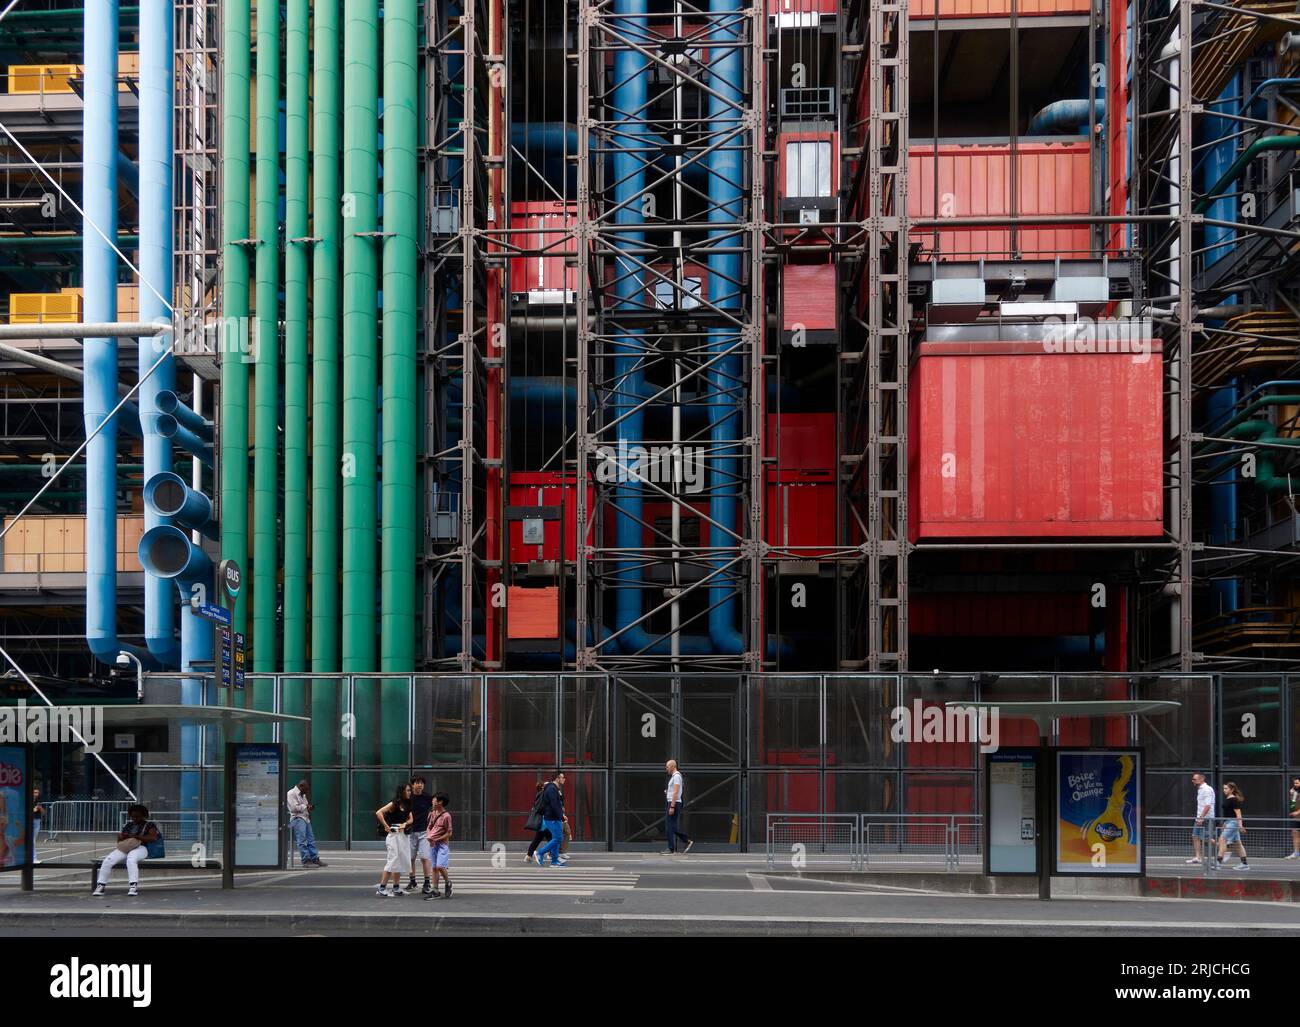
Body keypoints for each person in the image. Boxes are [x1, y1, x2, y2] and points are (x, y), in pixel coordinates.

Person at [92, 804, 163, 897]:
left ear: (143, 815)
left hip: (141, 848)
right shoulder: (129, 825)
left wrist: (137, 836)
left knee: (131, 859)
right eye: (132, 816)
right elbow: (120, 840)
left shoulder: (149, 825)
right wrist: (121, 837)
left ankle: (133, 886)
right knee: (108, 860)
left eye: (137, 816)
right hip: (127, 847)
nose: (134, 819)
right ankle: (101, 885)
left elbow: (153, 838)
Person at [375, 783, 413, 897]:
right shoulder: (394, 803)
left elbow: (411, 819)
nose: (409, 792)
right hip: (394, 835)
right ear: (402, 791)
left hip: (403, 835)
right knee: (393, 860)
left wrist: (405, 824)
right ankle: (382, 888)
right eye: (407, 790)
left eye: (410, 790)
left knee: (400, 860)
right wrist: (386, 826)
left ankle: (396, 887)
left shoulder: (407, 804)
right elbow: (379, 812)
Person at [287, 779, 325, 868]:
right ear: (301, 786)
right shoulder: (291, 793)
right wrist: (305, 807)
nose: (307, 791)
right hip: (297, 818)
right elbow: (293, 808)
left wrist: (308, 807)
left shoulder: (302, 794)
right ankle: (306, 860)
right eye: (306, 789)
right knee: (302, 840)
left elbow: (305, 804)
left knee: (310, 840)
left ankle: (314, 858)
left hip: (305, 818)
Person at [534, 770, 567, 868]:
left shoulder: (553, 788)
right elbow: (554, 805)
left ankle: (554, 861)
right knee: (558, 838)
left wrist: (561, 816)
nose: (564, 779)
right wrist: (561, 816)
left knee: (556, 838)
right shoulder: (552, 789)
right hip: (552, 817)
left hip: (554, 817)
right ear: (557, 778)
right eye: (562, 777)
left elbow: (556, 804)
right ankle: (540, 853)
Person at [424, 791, 454, 899]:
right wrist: (429, 836)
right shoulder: (432, 814)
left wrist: (437, 839)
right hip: (433, 844)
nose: (432, 801)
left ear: (440, 802)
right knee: (434, 868)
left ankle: (448, 882)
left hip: (442, 845)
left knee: (440, 866)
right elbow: (429, 826)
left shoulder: (446, 816)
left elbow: (449, 833)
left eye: (434, 799)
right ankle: (435, 890)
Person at [661, 758, 694, 855]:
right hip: (673, 802)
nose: (666, 768)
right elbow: (675, 791)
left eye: (667, 766)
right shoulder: (675, 777)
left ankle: (671, 848)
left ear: (672, 766)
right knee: (673, 826)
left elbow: (676, 792)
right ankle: (686, 840)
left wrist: (672, 806)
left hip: (673, 803)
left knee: (669, 827)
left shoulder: (676, 776)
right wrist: (668, 792)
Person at [408, 776, 434, 895]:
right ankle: (412, 881)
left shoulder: (428, 797)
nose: (420, 785)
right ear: (413, 784)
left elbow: (435, 807)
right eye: (418, 783)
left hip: (424, 832)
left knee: (424, 858)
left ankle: (427, 883)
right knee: (410, 858)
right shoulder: (408, 797)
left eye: (422, 783)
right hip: (410, 832)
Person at [1216, 781, 1249, 870]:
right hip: (1229, 822)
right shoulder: (1228, 799)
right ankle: (1244, 864)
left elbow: (1238, 813)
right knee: (1238, 843)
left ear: (1232, 789)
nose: (1224, 790)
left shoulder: (1234, 799)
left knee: (1222, 839)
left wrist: (1240, 825)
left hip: (1234, 823)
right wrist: (1225, 823)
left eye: (1226, 788)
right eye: (1224, 788)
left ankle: (1218, 862)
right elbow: (1228, 814)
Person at [1187, 772, 1215, 865]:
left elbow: (1208, 806)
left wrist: (1201, 818)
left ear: (1201, 779)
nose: (1192, 781)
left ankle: (1224, 847)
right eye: (1192, 779)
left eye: (1194, 779)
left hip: (1206, 818)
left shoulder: (1207, 789)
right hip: (1199, 817)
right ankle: (1198, 857)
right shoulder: (1200, 789)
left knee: (1206, 838)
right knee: (1195, 836)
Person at [525, 780, 552, 864]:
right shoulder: (543, 795)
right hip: (544, 821)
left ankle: (529, 856)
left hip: (543, 821)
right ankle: (548, 854)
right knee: (551, 839)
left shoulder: (540, 794)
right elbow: (541, 807)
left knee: (540, 839)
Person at [1287, 776, 1300, 859]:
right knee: (1295, 833)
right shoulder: (1293, 791)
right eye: (1294, 783)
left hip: (1298, 814)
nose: (1295, 784)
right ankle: (1296, 853)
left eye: (1297, 783)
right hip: (1296, 817)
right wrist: (1292, 794)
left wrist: (1298, 812)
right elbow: (1293, 803)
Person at [31, 785, 44, 865]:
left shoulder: (38, 800)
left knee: (33, 840)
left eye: (37, 793)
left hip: (37, 820)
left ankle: (33, 858)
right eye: (35, 792)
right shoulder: (28, 800)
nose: (36, 794)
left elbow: (43, 812)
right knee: (32, 840)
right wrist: (33, 809)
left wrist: (40, 808)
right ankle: (34, 858)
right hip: (30, 820)